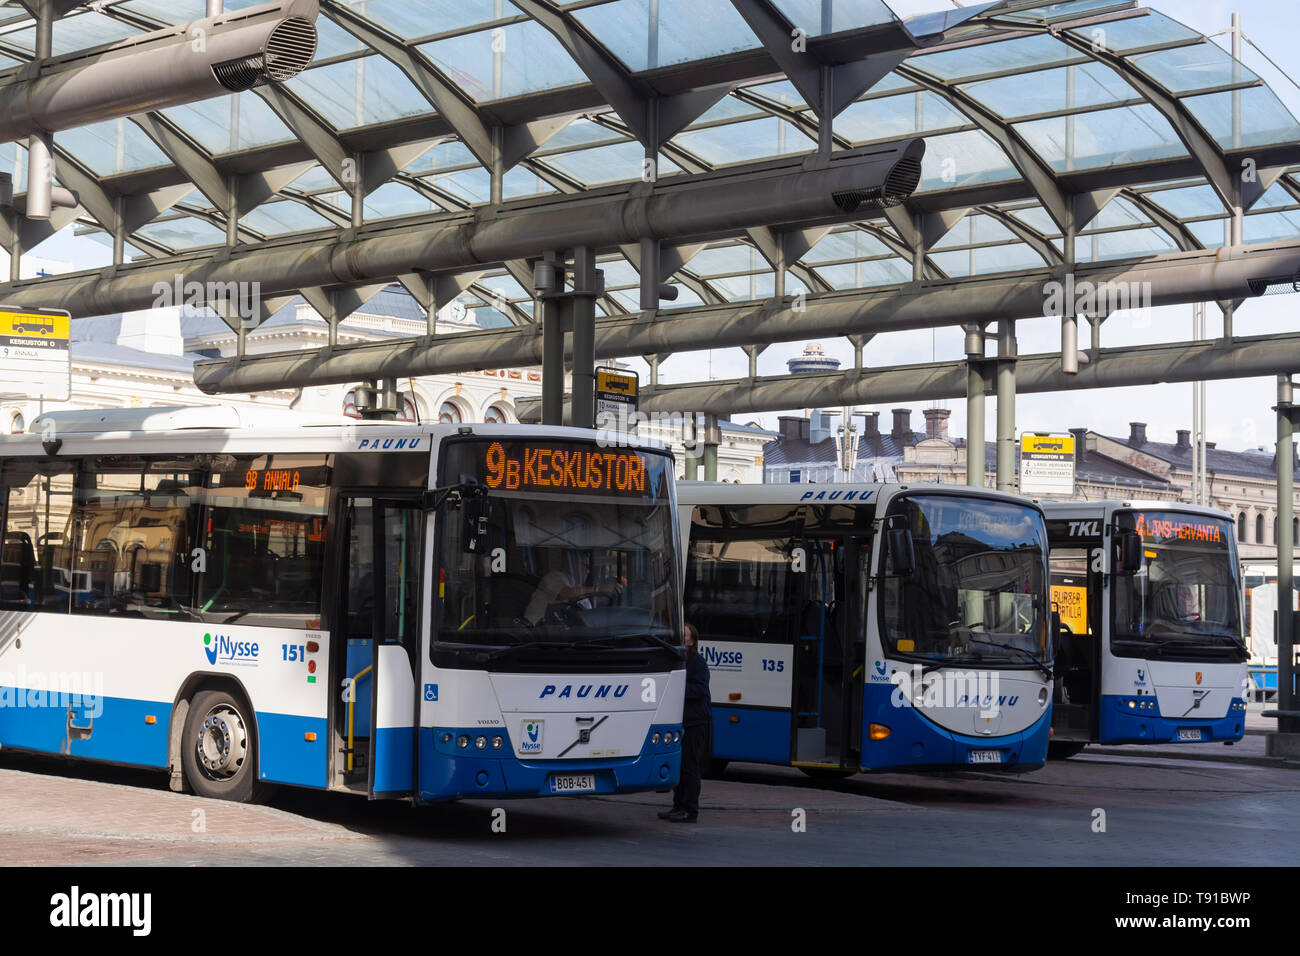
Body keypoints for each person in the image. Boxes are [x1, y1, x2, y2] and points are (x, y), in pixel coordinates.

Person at [661, 622, 710, 823]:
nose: (681, 638)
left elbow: (699, 690)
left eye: (685, 635)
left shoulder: (697, 663)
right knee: (679, 766)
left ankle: (690, 810)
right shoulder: (677, 660)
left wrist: (677, 689)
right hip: (680, 720)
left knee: (690, 767)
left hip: (695, 721)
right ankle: (678, 806)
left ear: (692, 641)